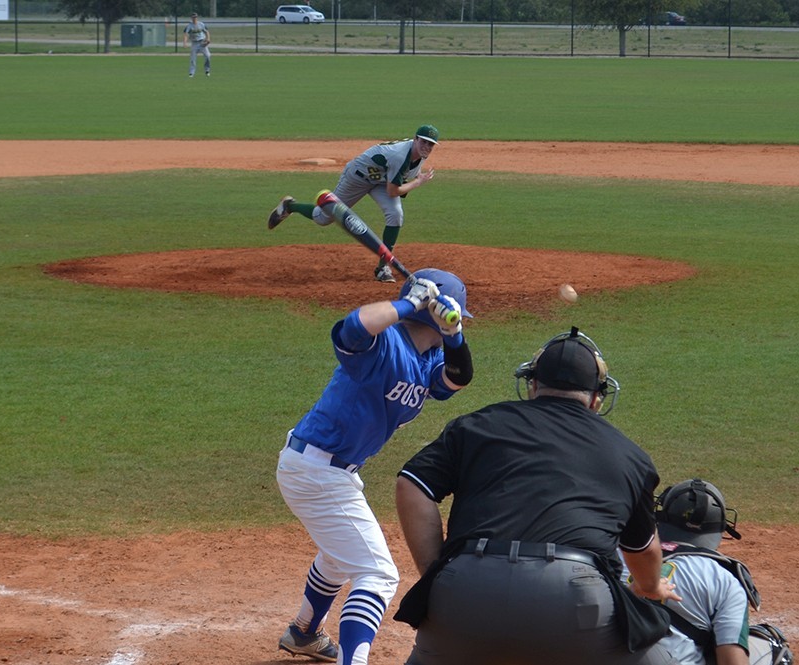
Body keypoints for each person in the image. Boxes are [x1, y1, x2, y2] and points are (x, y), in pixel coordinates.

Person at [394, 327, 680, 665]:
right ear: (597, 398)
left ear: (532, 385)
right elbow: (644, 552)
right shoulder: (629, 455)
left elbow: (411, 483)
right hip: (574, 601)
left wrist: (435, 572)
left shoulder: (477, 425)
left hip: (466, 592)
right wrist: (651, 589)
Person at [276, 269, 473, 665]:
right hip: (315, 470)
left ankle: (303, 632)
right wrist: (409, 305)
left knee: (340, 555)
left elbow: (459, 377)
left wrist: (454, 336)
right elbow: (353, 326)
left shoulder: (430, 358)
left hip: (333, 471)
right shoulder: (381, 345)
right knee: (379, 574)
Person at [641, 479, 793, 665]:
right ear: (721, 527)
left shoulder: (618, 556)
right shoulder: (725, 580)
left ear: (660, 516)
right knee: (772, 649)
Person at [267, 125, 440, 282]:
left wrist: (413, 182)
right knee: (322, 218)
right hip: (358, 177)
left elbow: (396, 185)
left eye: (431, 144)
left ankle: (383, 268)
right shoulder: (400, 155)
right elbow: (393, 191)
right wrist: (418, 182)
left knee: (396, 215)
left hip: (380, 181)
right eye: (423, 142)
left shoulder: (420, 155)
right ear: (415, 139)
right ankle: (289, 206)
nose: (427, 147)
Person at [182, 13, 211, 78]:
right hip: (194, 43)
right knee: (193, 59)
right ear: (191, 18)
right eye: (193, 17)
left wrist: (208, 39)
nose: (194, 18)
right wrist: (185, 43)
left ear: (197, 18)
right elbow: (186, 34)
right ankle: (191, 73)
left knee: (208, 56)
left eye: (195, 17)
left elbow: (207, 32)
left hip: (202, 42)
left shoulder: (201, 24)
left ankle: (207, 70)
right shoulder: (189, 26)